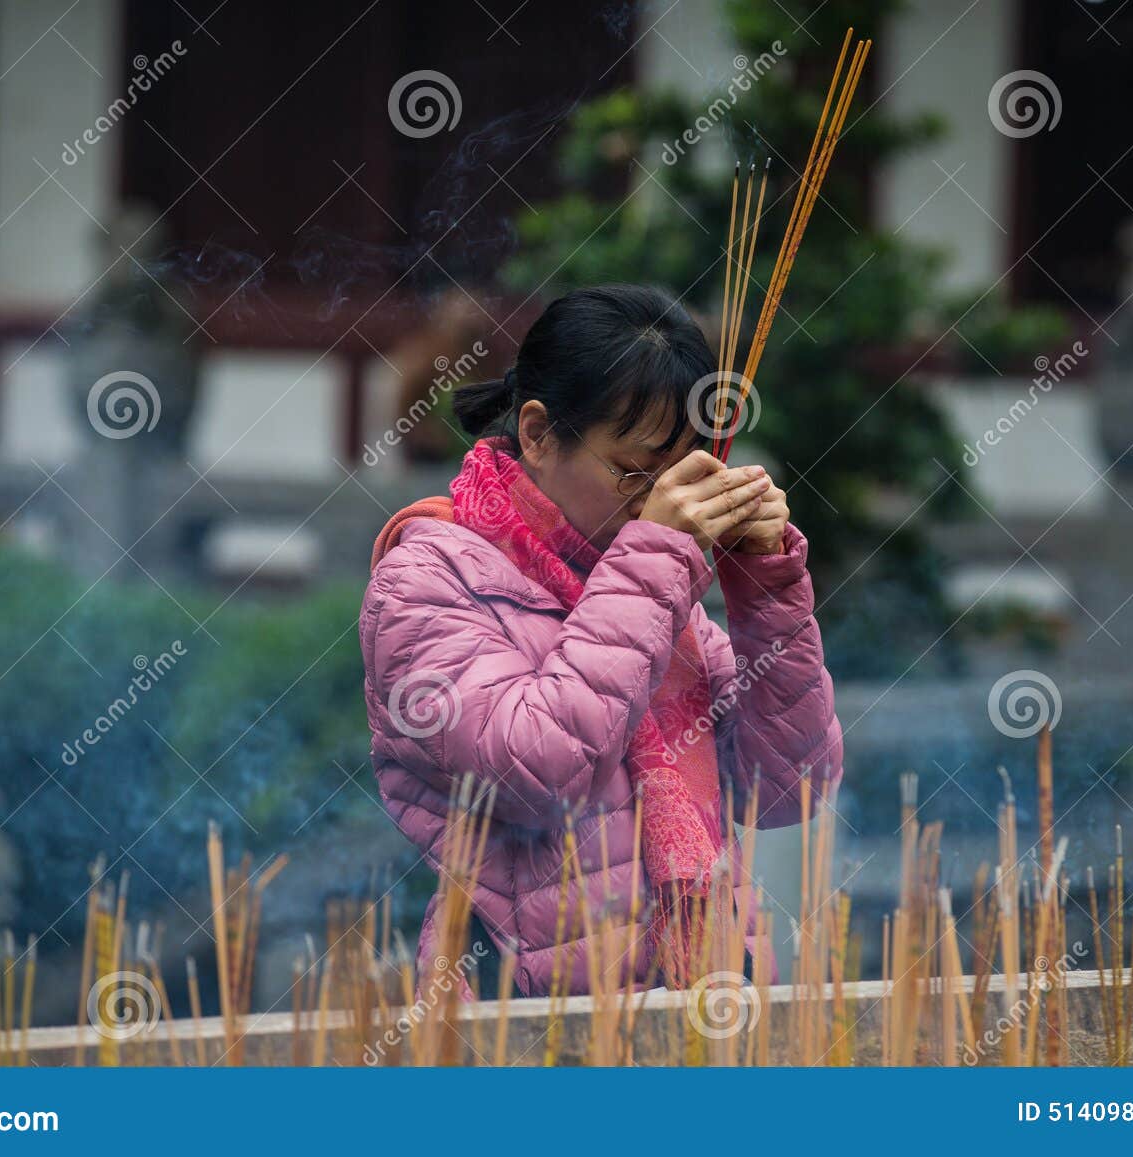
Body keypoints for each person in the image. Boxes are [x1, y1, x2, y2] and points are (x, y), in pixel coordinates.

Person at [361, 285, 843, 998]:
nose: (656, 502)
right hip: (526, 1021)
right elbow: (535, 776)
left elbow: (790, 788)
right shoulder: (426, 578)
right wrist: (656, 556)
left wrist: (767, 587)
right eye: (633, 471)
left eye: (676, 475)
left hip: (703, 1001)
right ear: (536, 433)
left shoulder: (649, 584)